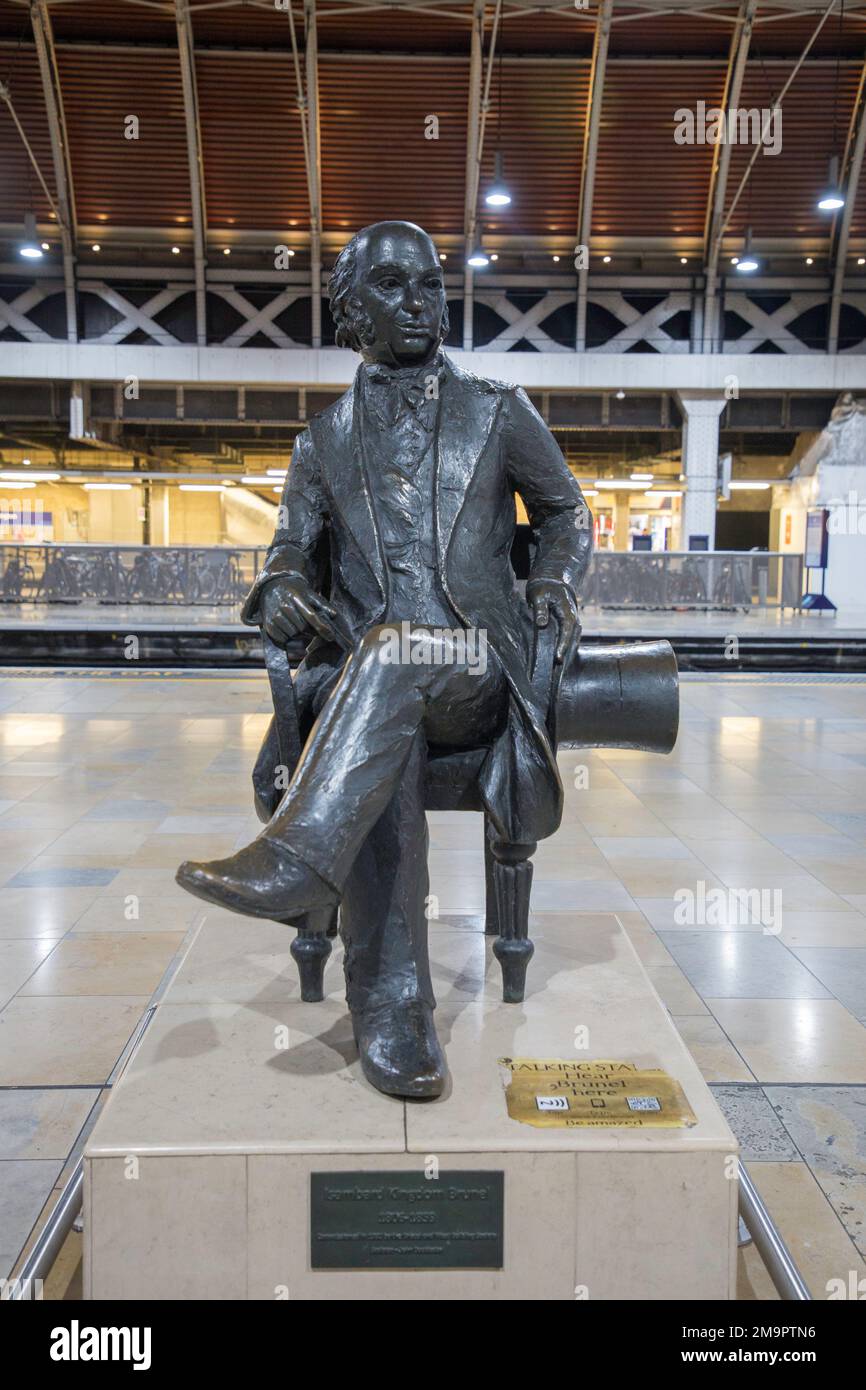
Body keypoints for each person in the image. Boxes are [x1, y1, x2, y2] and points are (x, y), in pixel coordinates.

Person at [177, 220, 592, 1098]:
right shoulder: (320, 440)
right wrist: (281, 588)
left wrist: (554, 580)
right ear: (351, 310)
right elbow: (289, 553)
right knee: (383, 700)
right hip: (371, 680)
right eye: (394, 285)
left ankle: (299, 860)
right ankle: (394, 1003)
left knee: (392, 659)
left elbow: (565, 513)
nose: (421, 303)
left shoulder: (498, 409)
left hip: (475, 664)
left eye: (431, 284)